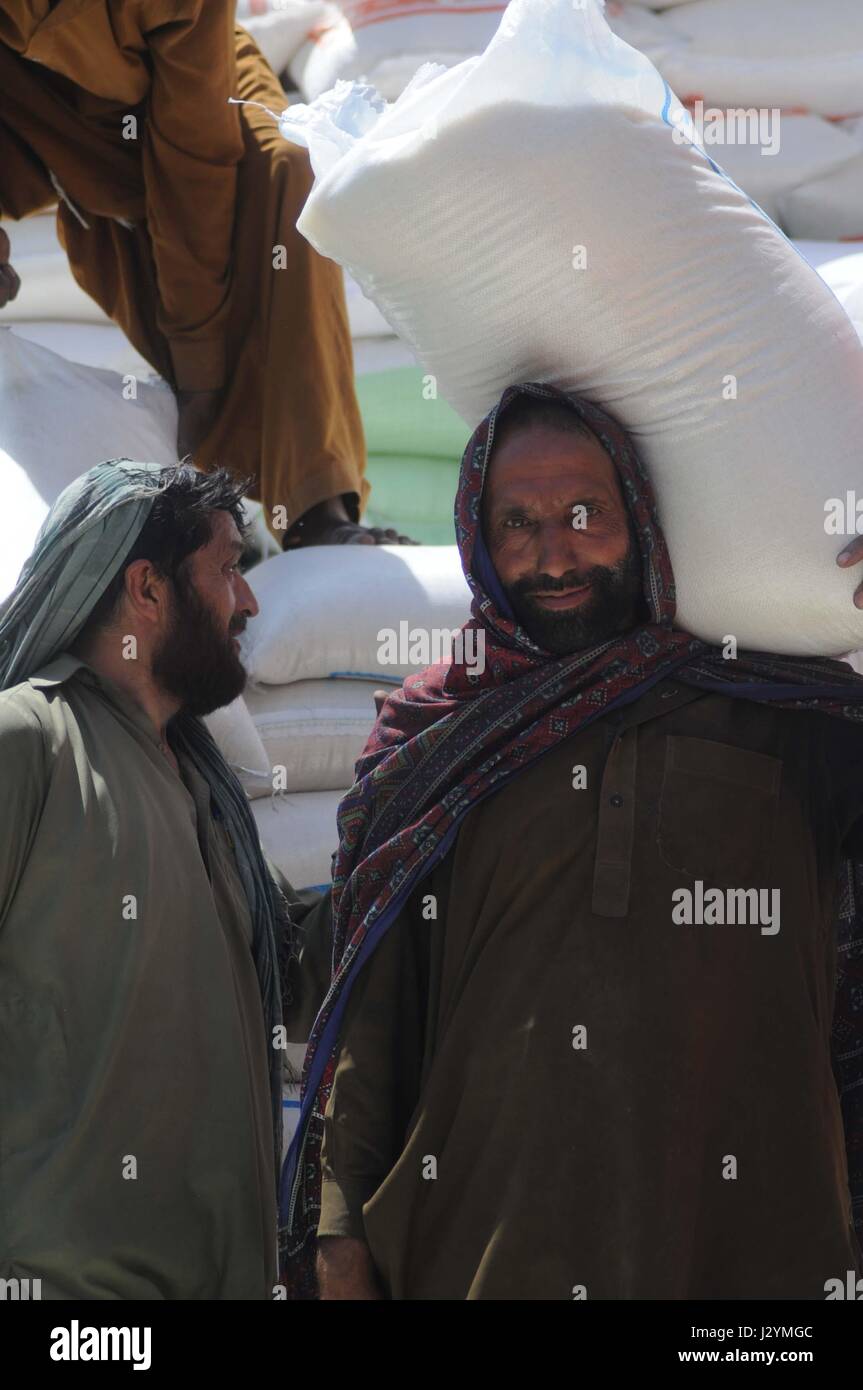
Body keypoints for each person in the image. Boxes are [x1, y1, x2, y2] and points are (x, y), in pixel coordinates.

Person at [281, 381, 863, 1300]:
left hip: (750, 1255)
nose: (553, 554)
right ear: (478, 539)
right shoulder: (434, 740)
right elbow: (374, 1010)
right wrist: (340, 1230)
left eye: (585, 513)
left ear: (638, 513)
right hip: (485, 1252)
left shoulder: (782, 710)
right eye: (518, 523)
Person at [0, 460, 320, 1299]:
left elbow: (293, 978)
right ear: (147, 589)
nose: (247, 603)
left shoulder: (202, 792)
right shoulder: (29, 740)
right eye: (227, 571)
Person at [0, 0, 413, 548]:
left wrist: (201, 368)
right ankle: (203, 538)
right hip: (50, 122)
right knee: (184, 366)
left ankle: (317, 510)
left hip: (195, 104)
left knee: (287, 180)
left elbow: (194, 171)